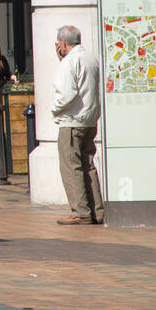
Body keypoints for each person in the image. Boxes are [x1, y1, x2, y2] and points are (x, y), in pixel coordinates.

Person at [51, 25, 103, 226]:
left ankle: (80, 211)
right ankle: (96, 210)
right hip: (89, 120)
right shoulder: (91, 59)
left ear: (63, 43)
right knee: (88, 165)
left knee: (70, 166)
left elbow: (66, 94)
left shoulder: (70, 62)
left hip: (72, 121)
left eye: (58, 43)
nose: (57, 46)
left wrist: (54, 109)